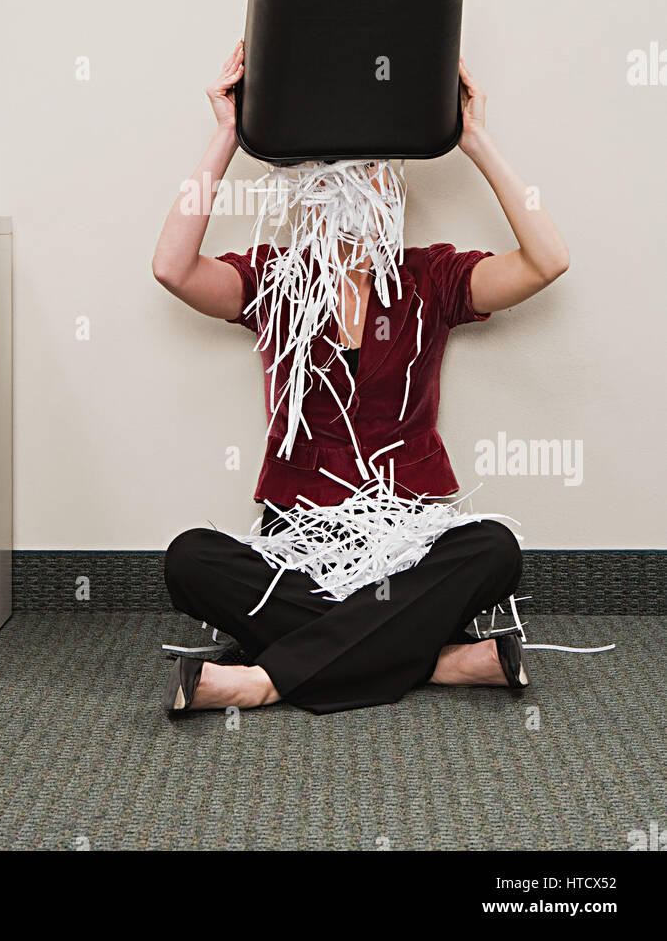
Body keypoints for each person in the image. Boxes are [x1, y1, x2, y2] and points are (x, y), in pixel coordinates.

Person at [152, 41, 570, 716]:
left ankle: (262, 679)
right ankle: (437, 660)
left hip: (407, 532)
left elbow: (548, 261)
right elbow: (172, 269)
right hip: (300, 534)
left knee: (492, 549)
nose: (353, 181)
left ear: (393, 188)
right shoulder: (275, 279)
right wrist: (225, 135)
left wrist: (476, 141)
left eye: (373, 169)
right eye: (332, 168)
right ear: (306, 186)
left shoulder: (430, 278)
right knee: (190, 559)